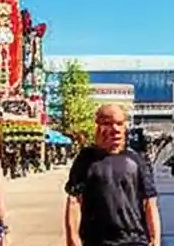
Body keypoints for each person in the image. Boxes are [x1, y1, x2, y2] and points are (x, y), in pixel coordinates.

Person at [64, 104, 161, 246]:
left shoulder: (137, 159)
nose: (115, 129)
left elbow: (149, 203)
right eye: (108, 123)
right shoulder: (86, 159)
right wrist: (73, 238)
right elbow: (74, 201)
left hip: (134, 241)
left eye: (119, 123)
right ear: (97, 126)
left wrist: (155, 239)